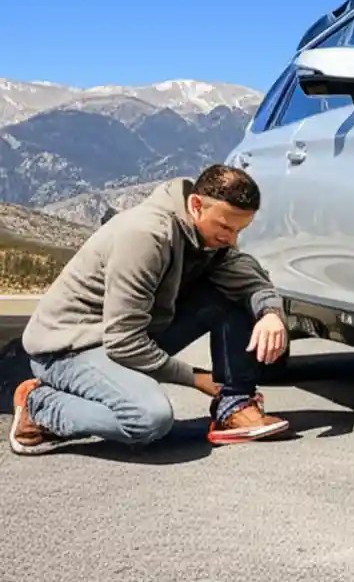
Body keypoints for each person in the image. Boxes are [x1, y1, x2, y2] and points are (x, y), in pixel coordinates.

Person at [8, 164, 292, 455]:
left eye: (239, 230)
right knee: (148, 419)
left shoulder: (208, 236)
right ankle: (40, 407)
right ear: (196, 205)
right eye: (225, 227)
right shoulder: (145, 236)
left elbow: (248, 277)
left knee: (236, 296)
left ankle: (234, 407)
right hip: (68, 350)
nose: (231, 240)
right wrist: (197, 378)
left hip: (126, 337)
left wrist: (270, 313)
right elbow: (124, 342)